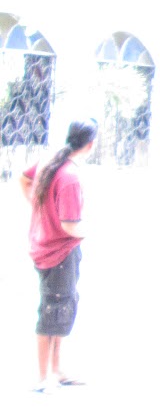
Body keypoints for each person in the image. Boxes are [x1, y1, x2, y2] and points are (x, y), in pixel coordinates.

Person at [20, 118, 98, 391]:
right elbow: (69, 225)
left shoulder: (50, 161)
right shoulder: (69, 178)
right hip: (58, 253)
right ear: (90, 145)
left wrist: (39, 208)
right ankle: (44, 376)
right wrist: (91, 229)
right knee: (53, 310)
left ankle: (57, 370)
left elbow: (24, 179)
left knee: (61, 307)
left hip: (46, 246)